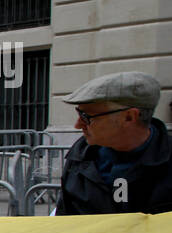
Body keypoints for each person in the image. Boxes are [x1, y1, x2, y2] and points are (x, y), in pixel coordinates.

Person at [56, 71, 172, 215]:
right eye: (79, 114)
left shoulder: (166, 160)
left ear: (129, 117)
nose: (77, 125)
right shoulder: (80, 156)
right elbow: (64, 218)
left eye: (86, 116)